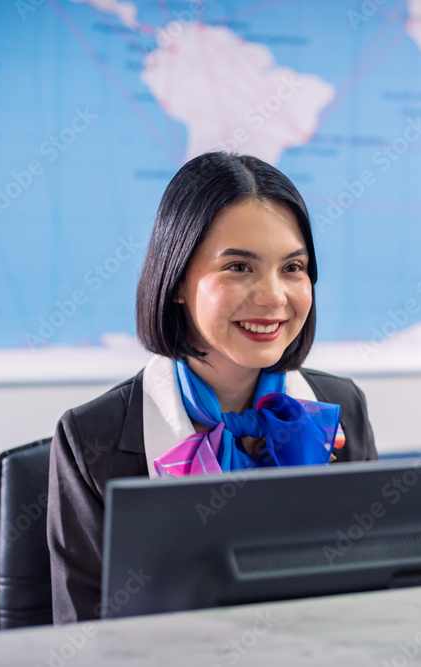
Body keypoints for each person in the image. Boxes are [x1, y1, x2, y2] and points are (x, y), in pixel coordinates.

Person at [47, 151, 378, 624]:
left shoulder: (339, 408)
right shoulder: (92, 438)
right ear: (177, 280)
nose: (273, 297)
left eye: (292, 268)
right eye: (239, 267)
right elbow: (82, 640)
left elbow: (372, 604)